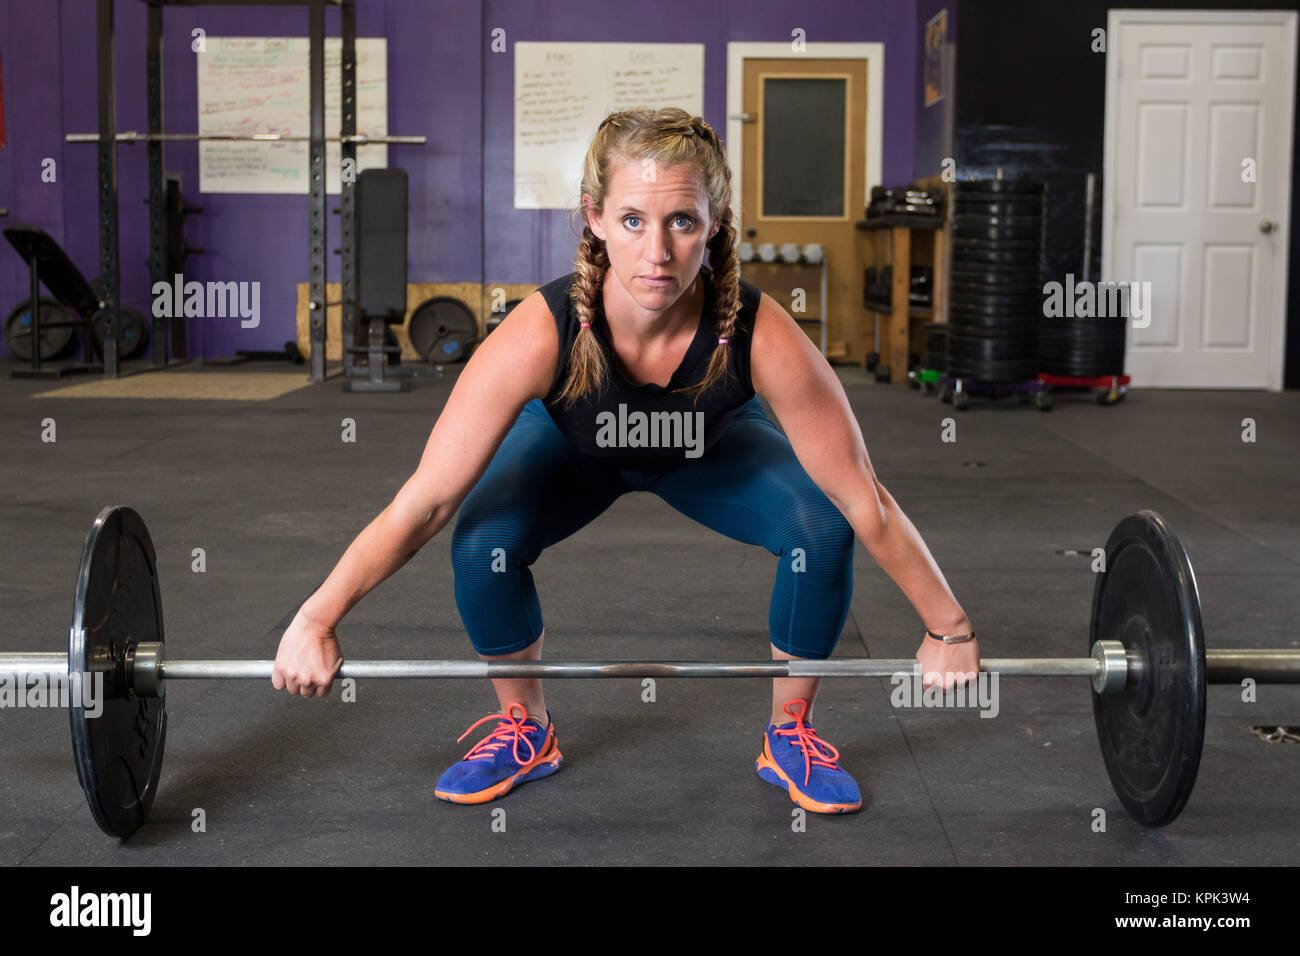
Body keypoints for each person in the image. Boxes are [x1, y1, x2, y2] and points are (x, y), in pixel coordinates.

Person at [272, 107, 978, 815]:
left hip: (707, 450)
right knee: (483, 539)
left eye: (683, 222)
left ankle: (789, 731)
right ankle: (527, 727)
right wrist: (316, 618)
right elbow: (425, 499)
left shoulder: (761, 335)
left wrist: (949, 628)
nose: (659, 253)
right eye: (634, 220)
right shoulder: (538, 333)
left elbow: (865, 499)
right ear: (597, 218)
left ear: (715, 224)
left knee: (822, 525)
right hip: (577, 454)